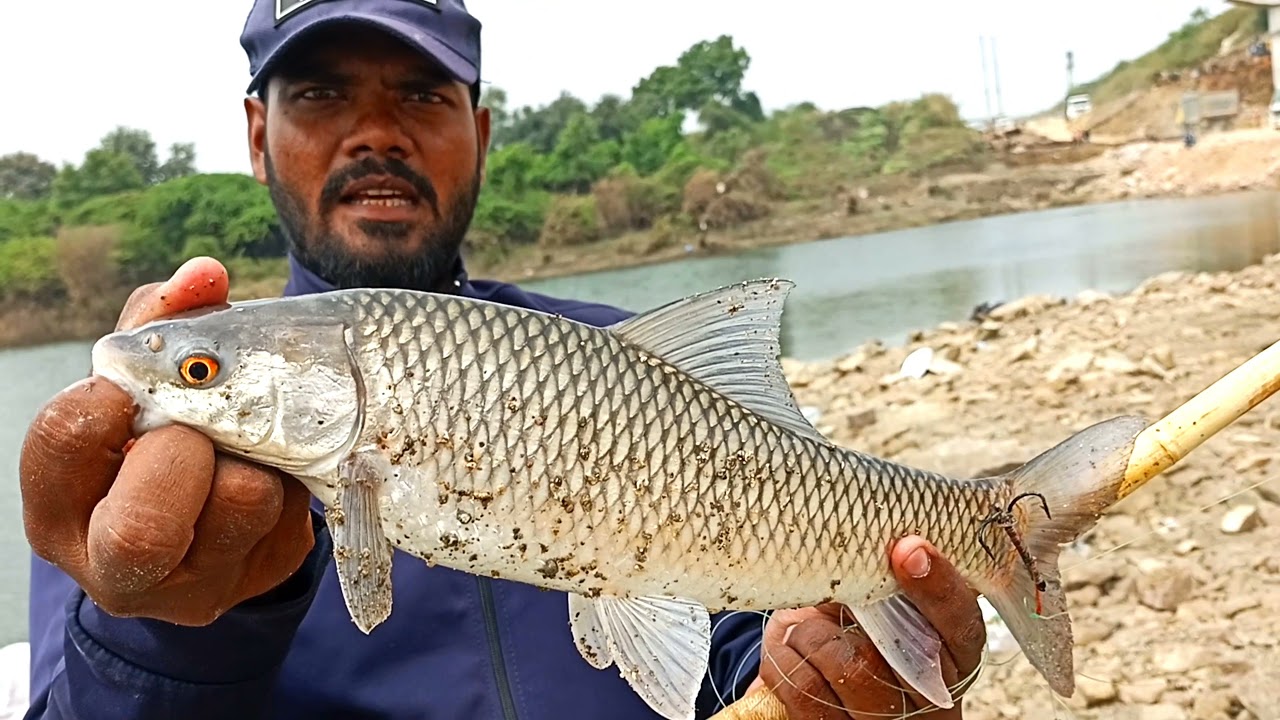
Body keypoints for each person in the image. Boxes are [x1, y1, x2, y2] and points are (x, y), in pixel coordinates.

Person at [17, 1, 989, 718]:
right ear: (256, 137)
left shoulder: (621, 349)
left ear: (478, 133)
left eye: (421, 92)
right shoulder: (127, 469)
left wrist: (821, 672)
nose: (376, 132)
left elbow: (738, 641)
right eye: (319, 93)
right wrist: (167, 622)